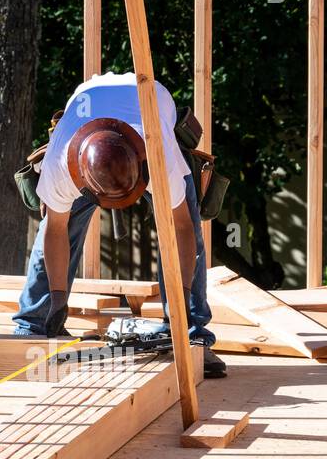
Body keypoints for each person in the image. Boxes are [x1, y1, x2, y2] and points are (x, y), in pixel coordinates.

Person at [12, 71, 225, 378]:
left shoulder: (159, 157)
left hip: (149, 103)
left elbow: (181, 230)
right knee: (54, 225)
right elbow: (56, 231)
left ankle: (190, 334)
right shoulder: (61, 163)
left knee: (188, 220)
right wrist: (58, 299)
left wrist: (183, 296)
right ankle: (36, 325)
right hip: (87, 118)